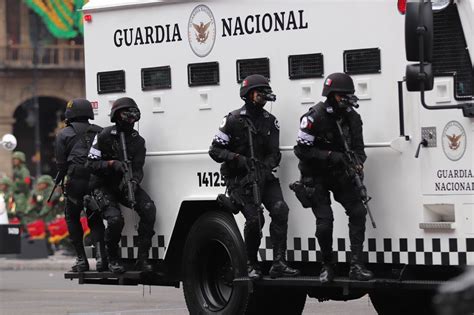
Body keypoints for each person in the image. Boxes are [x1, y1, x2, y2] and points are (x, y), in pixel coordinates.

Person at [209, 74, 300, 280]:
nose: (264, 97)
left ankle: (279, 262)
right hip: (240, 181)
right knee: (254, 219)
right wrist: (238, 159)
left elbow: (275, 153)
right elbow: (215, 150)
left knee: (280, 210)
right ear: (249, 94)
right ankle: (251, 263)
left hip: (264, 177)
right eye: (260, 93)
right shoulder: (232, 120)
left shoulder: (271, 121)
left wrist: (264, 167)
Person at [293, 72, 374, 283]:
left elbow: (359, 149)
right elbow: (301, 151)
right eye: (341, 95)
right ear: (331, 95)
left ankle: (356, 264)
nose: (345, 99)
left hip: (341, 174)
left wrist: (357, 164)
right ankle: (327, 264)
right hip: (316, 175)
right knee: (325, 223)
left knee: (358, 211)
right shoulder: (314, 117)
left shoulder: (352, 117)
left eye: (348, 95)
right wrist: (330, 156)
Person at [87, 97, 156, 273]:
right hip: (103, 185)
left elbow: (139, 169)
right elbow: (91, 164)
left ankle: (142, 258)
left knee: (148, 208)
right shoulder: (103, 136)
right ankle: (113, 258)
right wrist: (111, 164)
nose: (131, 121)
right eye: (127, 116)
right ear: (117, 116)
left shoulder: (138, 141)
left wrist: (133, 182)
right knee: (115, 219)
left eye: (134, 117)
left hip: (125, 184)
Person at [55, 98, 106, 272]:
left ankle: (81, 260)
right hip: (95, 181)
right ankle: (101, 259)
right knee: (95, 218)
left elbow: (61, 164)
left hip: (75, 182)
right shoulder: (100, 131)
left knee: (72, 218)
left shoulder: (63, 134)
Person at [11, 151, 31, 216]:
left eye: (16, 159)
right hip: (16, 194)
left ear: (21, 160)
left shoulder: (24, 170)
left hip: (22, 195)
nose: (14, 161)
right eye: (13, 159)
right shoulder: (15, 170)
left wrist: (18, 181)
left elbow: (27, 182)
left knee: (21, 214)